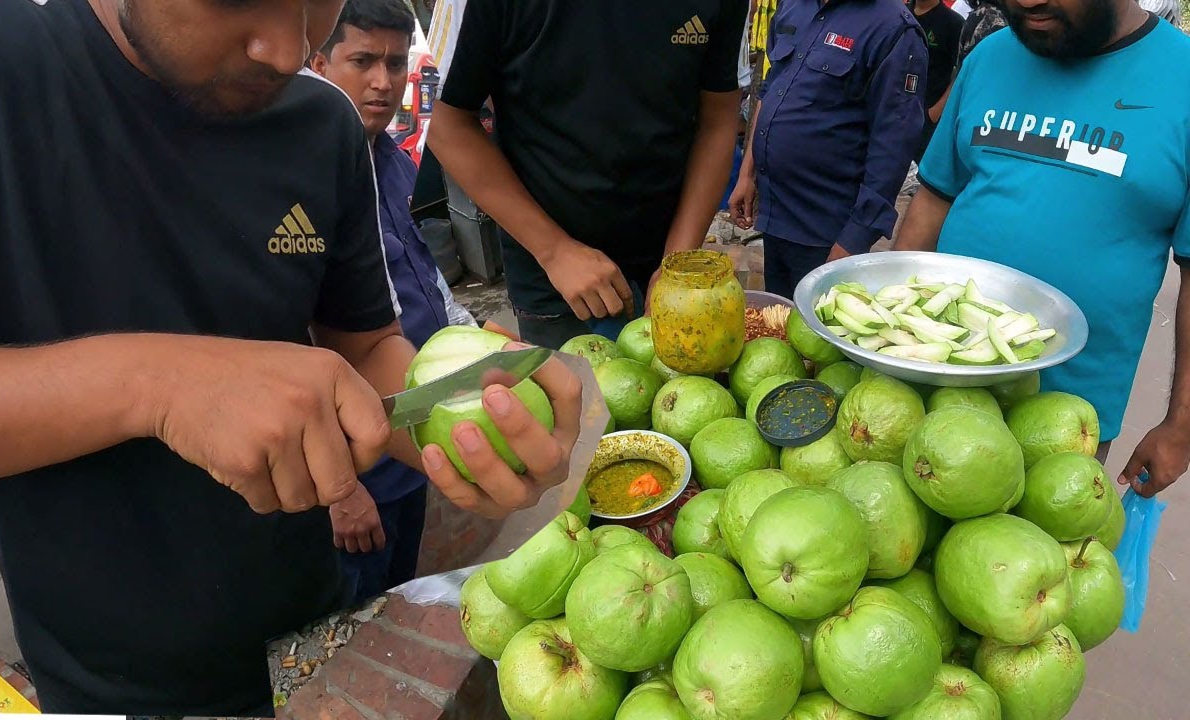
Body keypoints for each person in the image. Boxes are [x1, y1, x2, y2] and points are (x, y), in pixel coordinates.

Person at [0, 0, 582, 715]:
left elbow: (365, 346)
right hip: (102, 673)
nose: (288, 49)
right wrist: (158, 385)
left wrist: (462, 414)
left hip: (308, 624)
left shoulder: (321, 122)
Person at [896, 0, 1190, 496]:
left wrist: (1180, 426)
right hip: (930, 381)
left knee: (1025, 566)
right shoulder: (990, 56)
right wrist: (885, 332)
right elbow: (933, 199)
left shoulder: (1181, 78)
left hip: (1060, 423)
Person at [428, 0, 749, 349]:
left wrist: (676, 264)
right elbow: (441, 118)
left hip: (671, 246)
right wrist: (554, 251)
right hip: (553, 271)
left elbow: (718, 118)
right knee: (575, 397)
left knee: (687, 398)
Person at [307, 0, 476, 608]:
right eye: (363, 61)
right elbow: (295, 344)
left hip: (414, 440)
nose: (382, 80)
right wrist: (340, 490)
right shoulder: (302, 182)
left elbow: (428, 280)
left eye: (395, 62)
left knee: (403, 591)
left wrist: (479, 346)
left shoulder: (395, 163)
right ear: (321, 63)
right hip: (357, 466)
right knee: (356, 619)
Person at [728, 0, 929, 299]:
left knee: (816, 338)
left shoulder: (893, 28)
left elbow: (892, 149)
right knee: (778, 326)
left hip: (826, 233)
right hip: (775, 217)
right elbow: (772, 90)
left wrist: (853, 242)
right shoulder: (793, 6)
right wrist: (748, 172)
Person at [911, 0, 965, 160]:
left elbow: (962, 71)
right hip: (895, 111)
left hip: (927, 119)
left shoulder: (953, 23)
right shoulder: (901, 15)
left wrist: (935, 112)